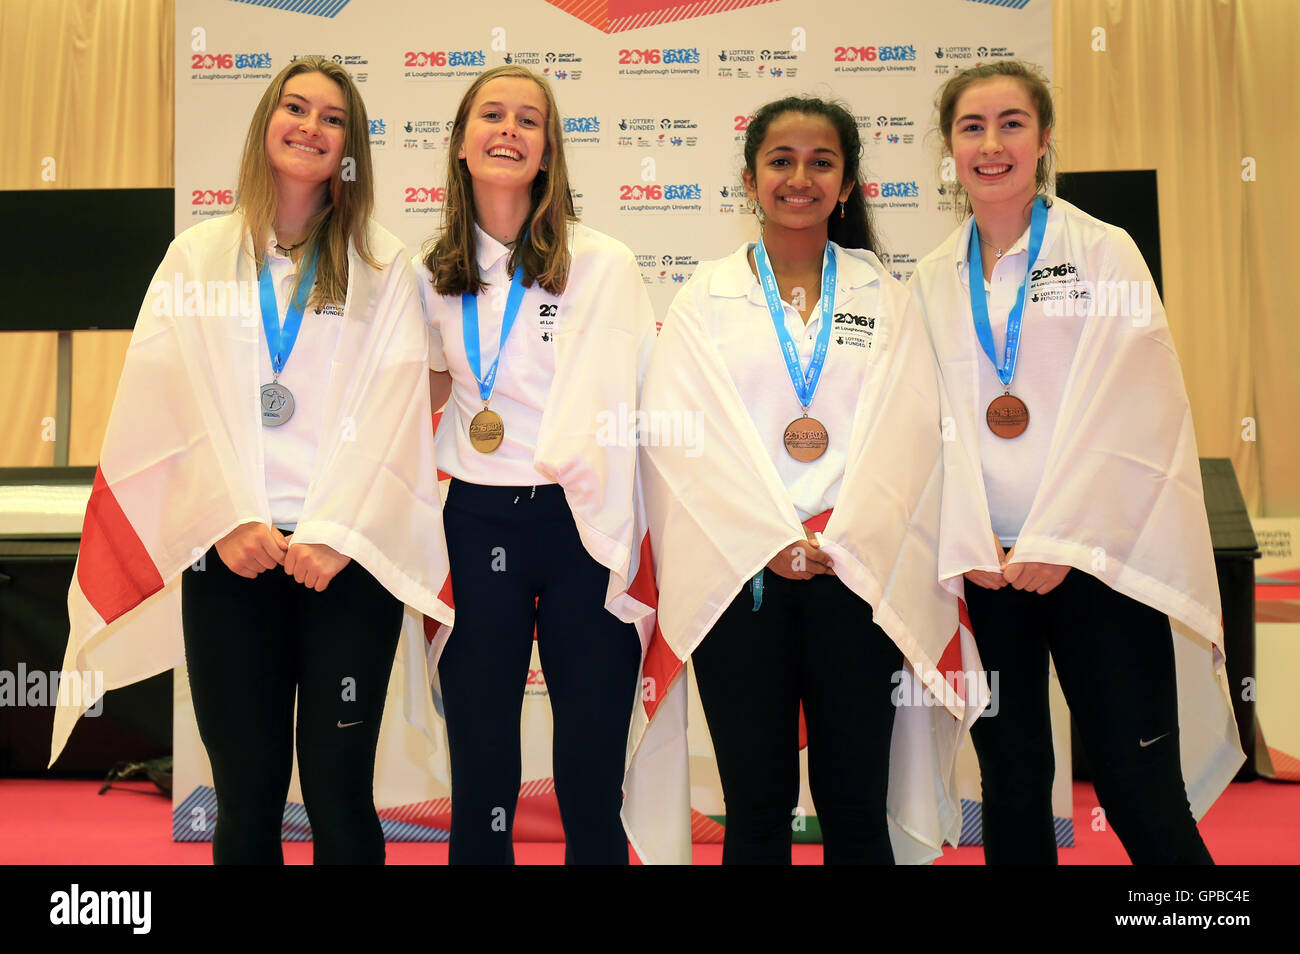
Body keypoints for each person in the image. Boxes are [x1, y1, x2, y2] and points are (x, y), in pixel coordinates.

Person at [52, 56, 454, 865]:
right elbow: (164, 412)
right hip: (229, 558)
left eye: (332, 118)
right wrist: (226, 518)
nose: (310, 126)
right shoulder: (195, 259)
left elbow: (399, 411)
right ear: (266, 123)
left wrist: (337, 532)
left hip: (346, 565)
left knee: (340, 794)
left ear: (351, 147)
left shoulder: (384, 265)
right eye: (295, 108)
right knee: (246, 796)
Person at [910, 59, 1243, 864]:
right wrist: (971, 541)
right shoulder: (928, 279)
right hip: (986, 572)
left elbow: (1132, 409)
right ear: (949, 148)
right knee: (1013, 784)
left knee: (1138, 783)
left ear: (1045, 138)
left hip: (1097, 566)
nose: (992, 145)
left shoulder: (1105, 252)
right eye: (972, 127)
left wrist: (1059, 540)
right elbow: (924, 429)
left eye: (1012, 124)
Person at [637, 96, 983, 865]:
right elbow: (682, 441)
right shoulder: (704, 300)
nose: (801, 177)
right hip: (742, 581)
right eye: (781, 161)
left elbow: (910, 436)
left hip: (857, 579)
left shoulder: (884, 299)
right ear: (750, 178)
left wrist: (837, 536)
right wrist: (770, 538)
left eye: (822, 162)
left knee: (855, 808)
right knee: (755, 810)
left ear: (848, 183)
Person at [416, 65, 655, 865]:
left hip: (583, 524)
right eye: (492, 114)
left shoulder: (604, 263)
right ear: (459, 142)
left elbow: (638, 410)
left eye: (529, 120)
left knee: (590, 769)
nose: (510, 130)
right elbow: (411, 402)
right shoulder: (428, 273)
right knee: (481, 765)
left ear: (550, 152)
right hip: (476, 521)